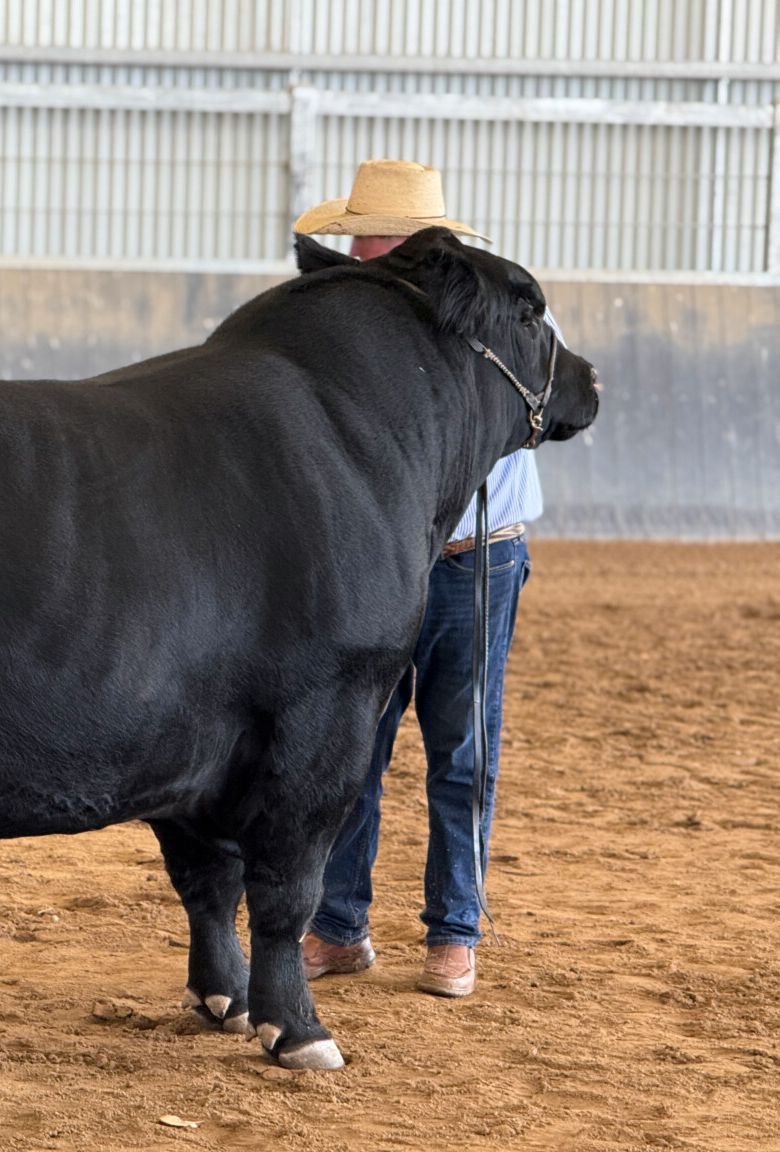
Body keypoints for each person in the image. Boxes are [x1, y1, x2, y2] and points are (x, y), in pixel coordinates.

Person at [290, 159, 558, 998]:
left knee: (461, 750)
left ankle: (456, 932)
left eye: (367, 242)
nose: (356, 257)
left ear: (409, 247)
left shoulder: (496, 311)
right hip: (376, 561)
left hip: (471, 554)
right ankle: (338, 926)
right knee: (351, 748)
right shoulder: (350, 320)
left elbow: (538, 409)